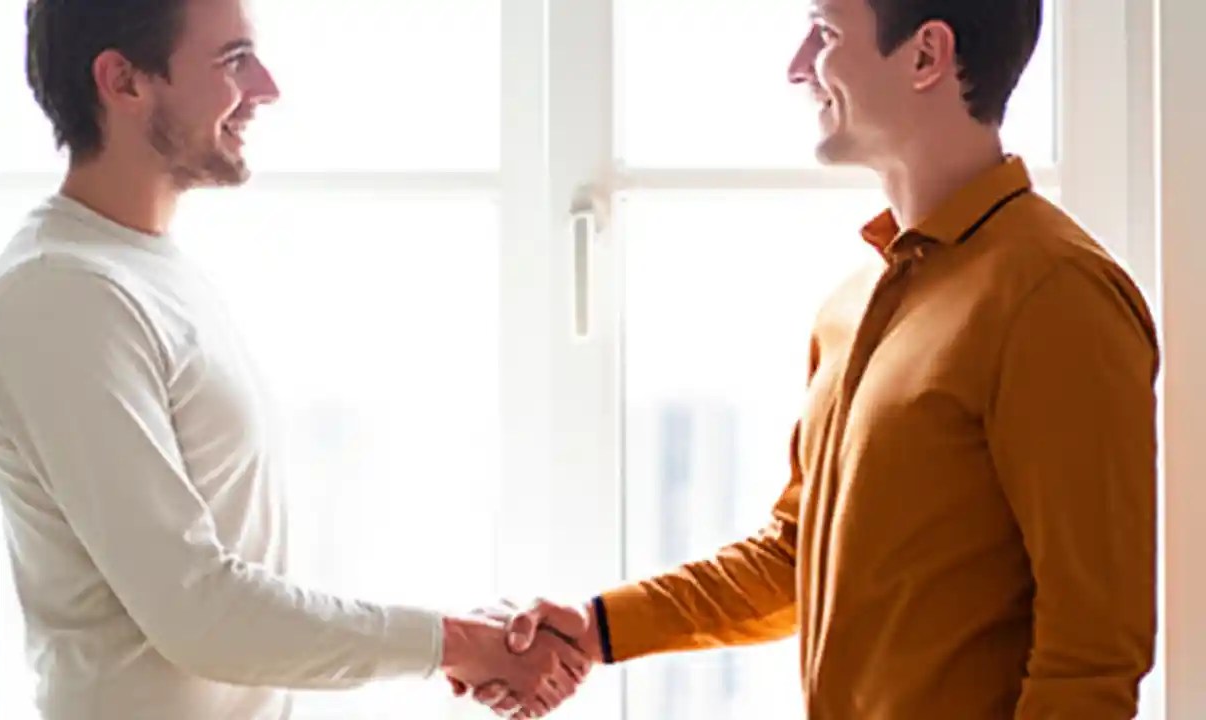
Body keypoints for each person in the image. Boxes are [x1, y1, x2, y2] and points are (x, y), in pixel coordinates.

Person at [466, 0, 1159, 717]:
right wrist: (595, 628)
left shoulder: (1056, 294)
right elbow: (798, 556)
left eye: (824, 33)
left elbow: (1091, 656)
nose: (798, 67)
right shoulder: (852, 306)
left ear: (926, 55)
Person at [0, 1, 584, 718]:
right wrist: (456, 644)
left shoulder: (140, 271)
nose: (266, 87)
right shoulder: (63, 296)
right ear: (124, 81)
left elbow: (232, 583)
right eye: (233, 61)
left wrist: (462, 641)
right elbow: (198, 610)